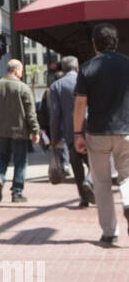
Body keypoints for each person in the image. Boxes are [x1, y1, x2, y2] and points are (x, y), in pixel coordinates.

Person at [73, 23, 129, 246]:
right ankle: (128, 203)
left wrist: (78, 133)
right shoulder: (128, 64)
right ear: (115, 42)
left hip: (98, 132)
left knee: (102, 182)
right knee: (127, 176)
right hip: (127, 130)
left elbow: (79, 105)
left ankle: (109, 231)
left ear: (95, 44)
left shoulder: (87, 68)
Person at [0, 59, 39, 201]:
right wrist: (35, 131)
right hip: (19, 132)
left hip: (0, 131)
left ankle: (0, 178)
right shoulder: (23, 88)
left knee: (2, 158)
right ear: (15, 70)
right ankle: (17, 192)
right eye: (21, 69)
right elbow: (30, 113)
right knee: (20, 161)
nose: (22, 72)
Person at [48, 56, 95, 206]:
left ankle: (83, 198)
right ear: (77, 68)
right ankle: (89, 181)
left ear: (62, 69)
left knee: (76, 166)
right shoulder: (88, 80)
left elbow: (55, 115)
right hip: (91, 128)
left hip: (70, 132)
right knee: (94, 162)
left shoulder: (56, 86)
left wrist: (54, 138)